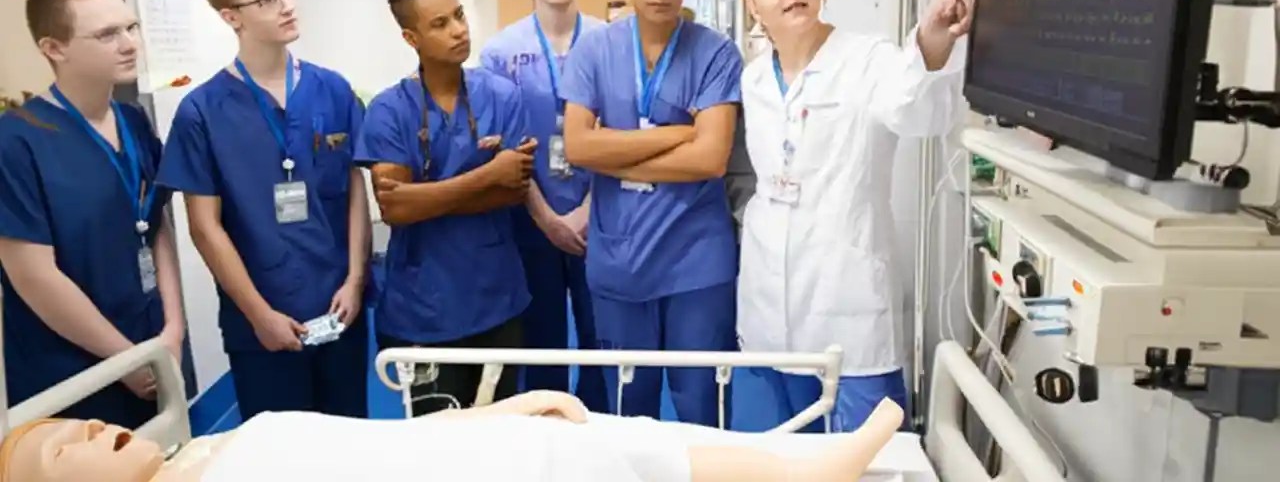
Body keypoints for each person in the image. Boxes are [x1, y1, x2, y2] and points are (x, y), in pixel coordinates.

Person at [736, 0, 980, 431]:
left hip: (845, 291)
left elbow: (915, 109)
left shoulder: (867, 59)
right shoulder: (755, 78)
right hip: (768, 289)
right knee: (786, 445)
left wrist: (933, 39)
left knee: (866, 452)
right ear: (754, 5)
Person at [157, 0, 371, 421]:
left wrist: (357, 278)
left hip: (341, 309)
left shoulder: (332, 89)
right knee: (277, 456)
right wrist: (258, 313)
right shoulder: (202, 112)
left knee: (352, 445)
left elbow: (355, 188)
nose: (287, 5)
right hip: (263, 322)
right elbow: (204, 227)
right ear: (232, 17)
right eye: (267, 0)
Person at [560, 0, 742, 425]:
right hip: (619, 259)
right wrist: (678, 132)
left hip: (696, 262)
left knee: (703, 406)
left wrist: (612, 149)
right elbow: (577, 146)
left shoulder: (715, 53)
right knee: (626, 407)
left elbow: (710, 160)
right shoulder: (594, 51)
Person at [0, 0, 194, 428]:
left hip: (155, 345)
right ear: (54, 48)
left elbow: (156, 225)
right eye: (107, 34)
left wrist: (173, 328)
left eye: (131, 28)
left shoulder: (133, 121)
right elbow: (34, 276)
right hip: (76, 368)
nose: (129, 44)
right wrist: (125, 359)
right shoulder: (17, 142)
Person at [0, 391, 906, 482]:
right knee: (602, 460)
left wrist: (496, 412)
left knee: (608, 432)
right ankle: (807, 471)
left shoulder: (219, 443)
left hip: (463, 453)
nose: (91, 423)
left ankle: (795, 463)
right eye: (61, 449)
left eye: (76, 418)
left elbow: (369, 439)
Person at [356, 0, 535, 415]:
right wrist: (486, 175)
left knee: (505, 435)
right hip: (423, 308)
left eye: (459, 15)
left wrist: (428, 196)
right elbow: (395, 207)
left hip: (497, 300)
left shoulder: (502, 95)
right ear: (411, 39)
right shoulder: (388, 110)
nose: (458, 30)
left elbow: (513, 189)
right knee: (439, 447)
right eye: (440, 24)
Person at [479, 0, 608, 411]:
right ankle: (548, 431)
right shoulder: (500, 53)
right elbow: (505, 149)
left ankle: (596, 432)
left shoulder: (608, 42)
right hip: (531, 220)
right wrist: (547, 218)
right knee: (541, 341)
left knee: (603, 339)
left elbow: (619, 134)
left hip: (599, 215)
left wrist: (588, 208)